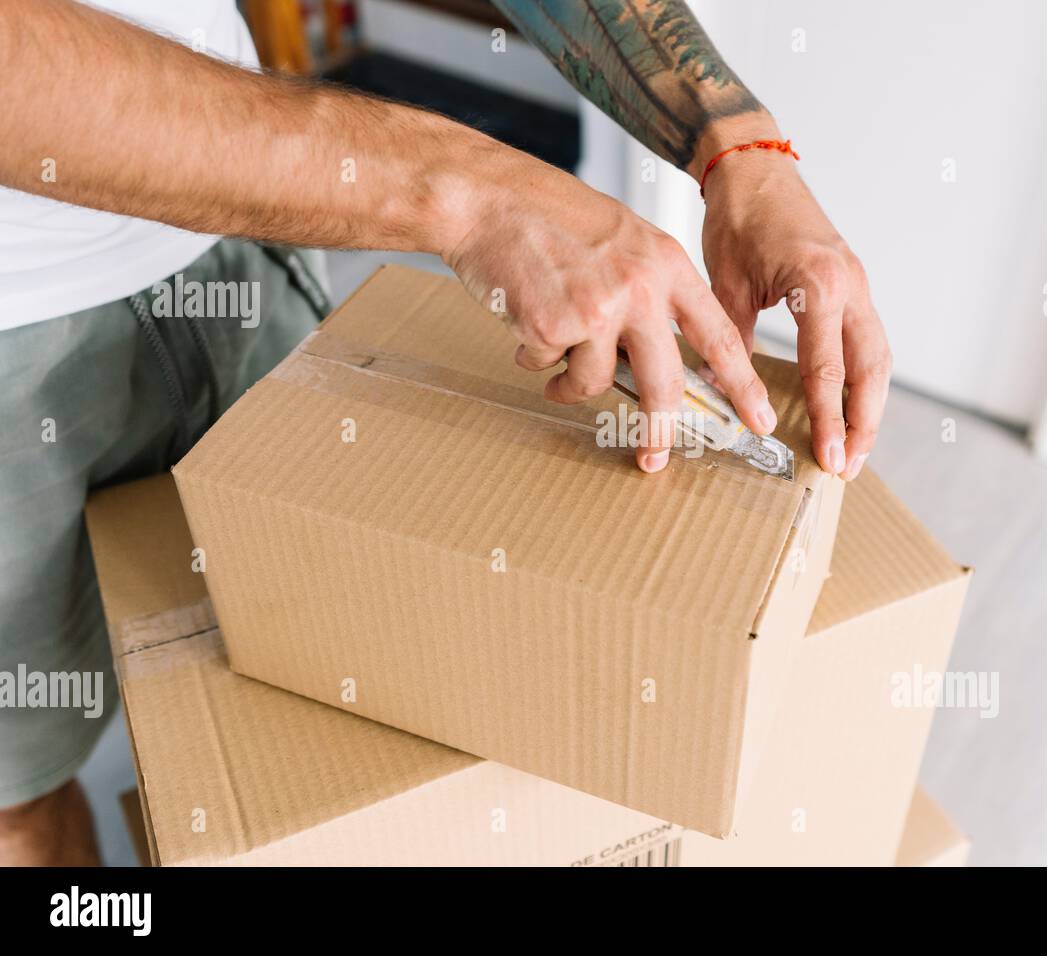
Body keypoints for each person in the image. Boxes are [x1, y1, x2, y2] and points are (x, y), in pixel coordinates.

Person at [0, 0, 890, 865]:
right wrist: (466, 191)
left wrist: (740, 146)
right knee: (17, 796)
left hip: (231, 218)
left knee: (316, 666)